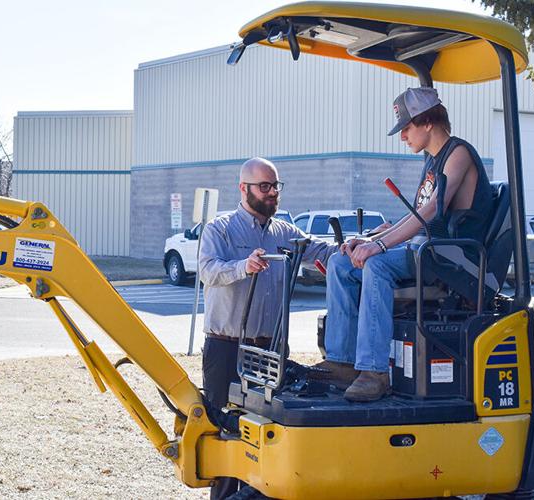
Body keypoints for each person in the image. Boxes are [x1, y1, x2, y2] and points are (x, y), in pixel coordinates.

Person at [313, 87, 493, 402]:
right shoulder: (433, 161)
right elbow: (416, 216)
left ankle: (374, 372)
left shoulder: (459, 153)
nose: (403, 137)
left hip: (453, 258)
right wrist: (371, 239)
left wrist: (379, 248)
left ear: (428, 122)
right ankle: (342, 361)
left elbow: (432, 210)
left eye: (407, 128)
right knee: (341, 263)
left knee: (377, 265)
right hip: (429, 251)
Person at [198, 157, 336, 500]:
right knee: (223, 431)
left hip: (271, 351)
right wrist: (243, 266)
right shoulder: (220, 229)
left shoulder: (284, 232)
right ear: (243, 188)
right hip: (227, 348)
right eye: (265, 186)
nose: (273, 192)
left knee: (265, 435)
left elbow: (320, 249)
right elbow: (208, 271)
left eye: (276, 186)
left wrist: (362, 245)